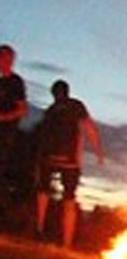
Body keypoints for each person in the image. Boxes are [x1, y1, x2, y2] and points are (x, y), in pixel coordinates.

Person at [35, 79, 104, 248]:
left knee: (43, 193)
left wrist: (39, 158)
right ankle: (66, 242)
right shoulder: (76, 106)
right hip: (70, 161)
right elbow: (89, 127)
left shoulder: (50, 111)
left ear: (53, 94)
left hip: (49, 158)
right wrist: (98, 150)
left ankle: (39, 228)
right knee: (69, 200)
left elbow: (42, 136)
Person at [0, 44, 30, 205]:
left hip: (5, 135)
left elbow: (22, 110)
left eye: (7, 58)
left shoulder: (15, 82)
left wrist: (4, 117)